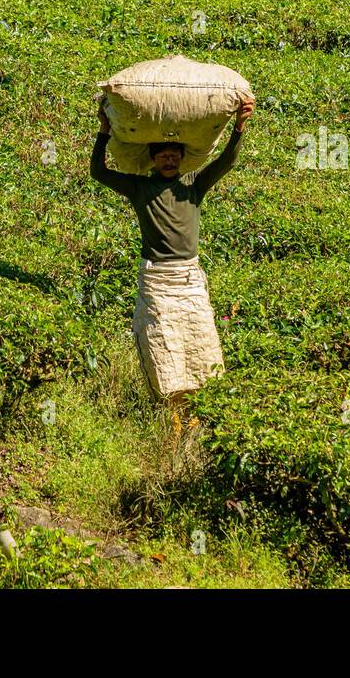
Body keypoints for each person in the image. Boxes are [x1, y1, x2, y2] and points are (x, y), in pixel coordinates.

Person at [90, 95, 255, 440]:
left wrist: (239, 127)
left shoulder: (193, 187)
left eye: (174, 155)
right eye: (162, 155)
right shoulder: (139, 187)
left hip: (189, 280)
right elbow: (98, 172)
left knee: (200, 347)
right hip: (158, 279)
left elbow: (225, 162)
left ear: (182, 159)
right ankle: (172, 423)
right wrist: (104, 132)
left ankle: (197, 420)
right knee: (164, 347)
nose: (168, 159)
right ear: (152, 159)